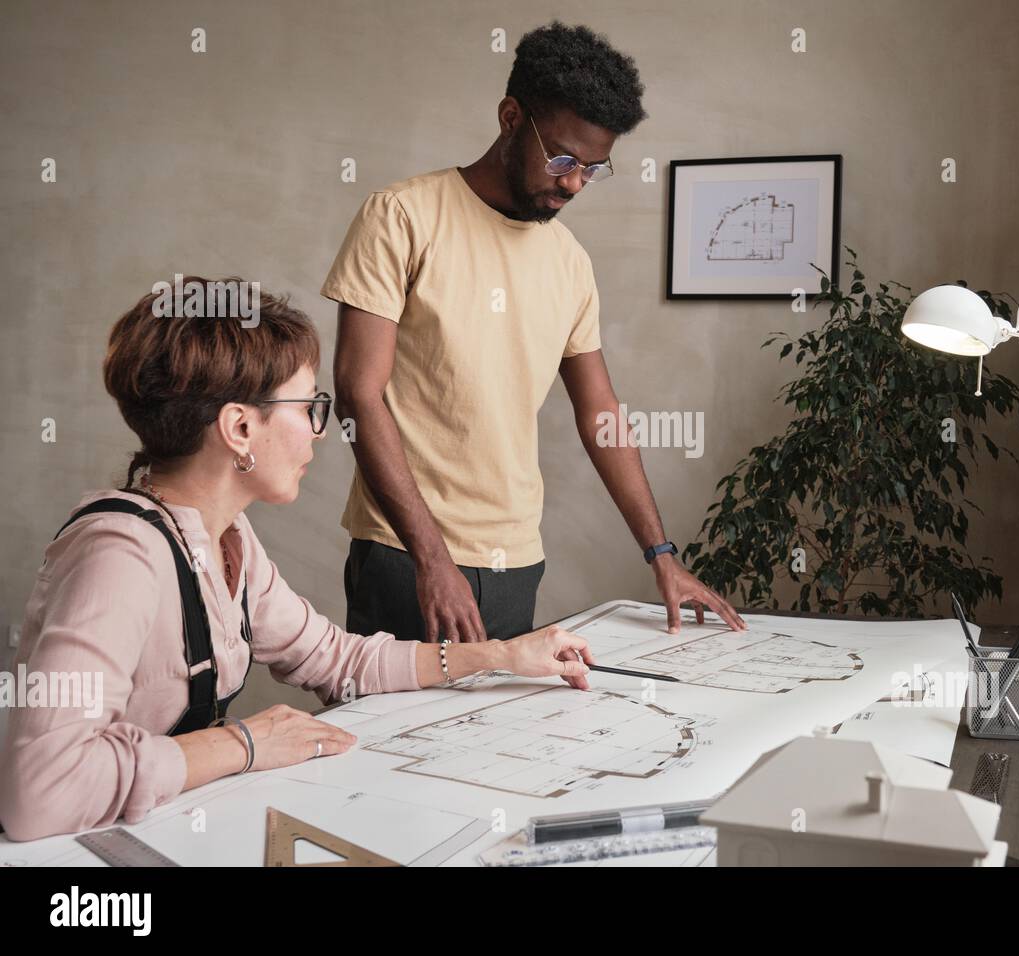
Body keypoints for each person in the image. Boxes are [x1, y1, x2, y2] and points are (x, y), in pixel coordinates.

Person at [0, 279, 593, 842]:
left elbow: (337, 660)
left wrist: (503, 655)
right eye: (308, 408)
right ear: (238, 426)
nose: (318, 431)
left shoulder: (228, 537)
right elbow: (39, 794)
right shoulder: (120, 555)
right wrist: (245, 744)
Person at [322, 20, 747, 648]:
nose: (574, 182)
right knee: (406, 745)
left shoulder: (570, 261)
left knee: (501, 744)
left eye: (594, 169)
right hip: (405, 556)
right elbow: (359, 393)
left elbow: (600, 413)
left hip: (515, 561)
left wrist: (661, 553)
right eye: (563, 159)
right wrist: (432, 559)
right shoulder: (403, 216)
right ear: (511, 117)